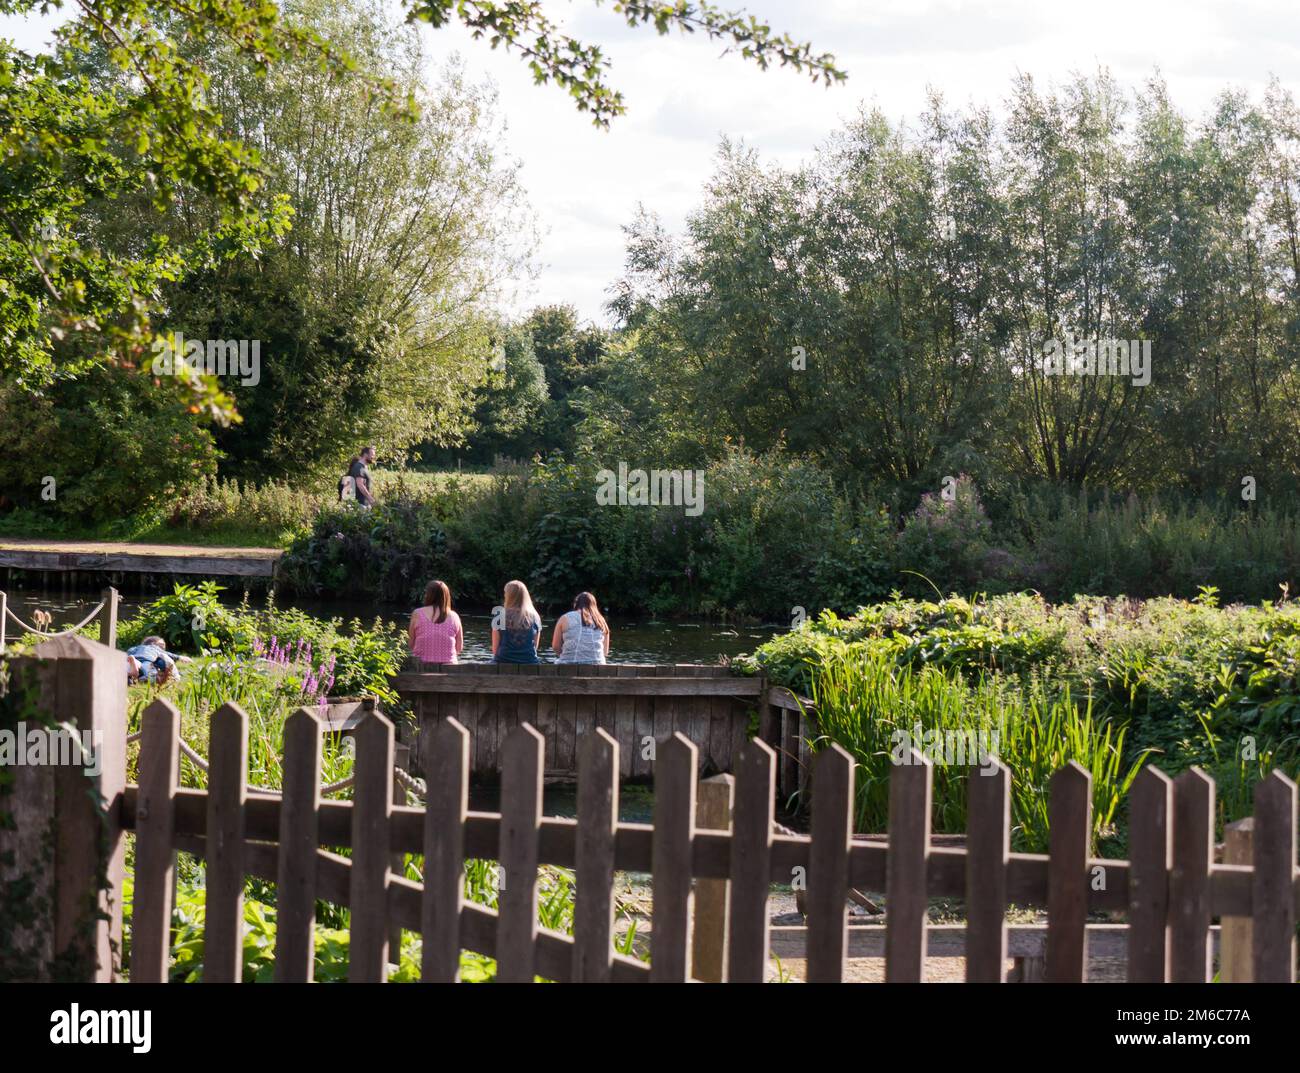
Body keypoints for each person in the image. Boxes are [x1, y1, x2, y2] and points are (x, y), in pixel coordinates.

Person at [409, 579, 464, 665]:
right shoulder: (454, 616)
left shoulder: (417, 613)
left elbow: (411, 644)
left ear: (428, 595)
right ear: (446, 596)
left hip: (421, 667)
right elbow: (459, 648)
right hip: (449, 669)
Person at [552, 591, 610, 664]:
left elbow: (555, 646)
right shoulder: (601, 621)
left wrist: (566, 655)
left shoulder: (564, 618)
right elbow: (605, 652)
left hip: (570, 663)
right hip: (598, 663)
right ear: (594, 605)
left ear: (575, 604)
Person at [491, 579, 541, 664]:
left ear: (508, 596)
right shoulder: (535, 616)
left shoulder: (500, 614)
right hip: (530, 663)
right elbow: (534, 647)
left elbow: (495, 650)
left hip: (503, 661)